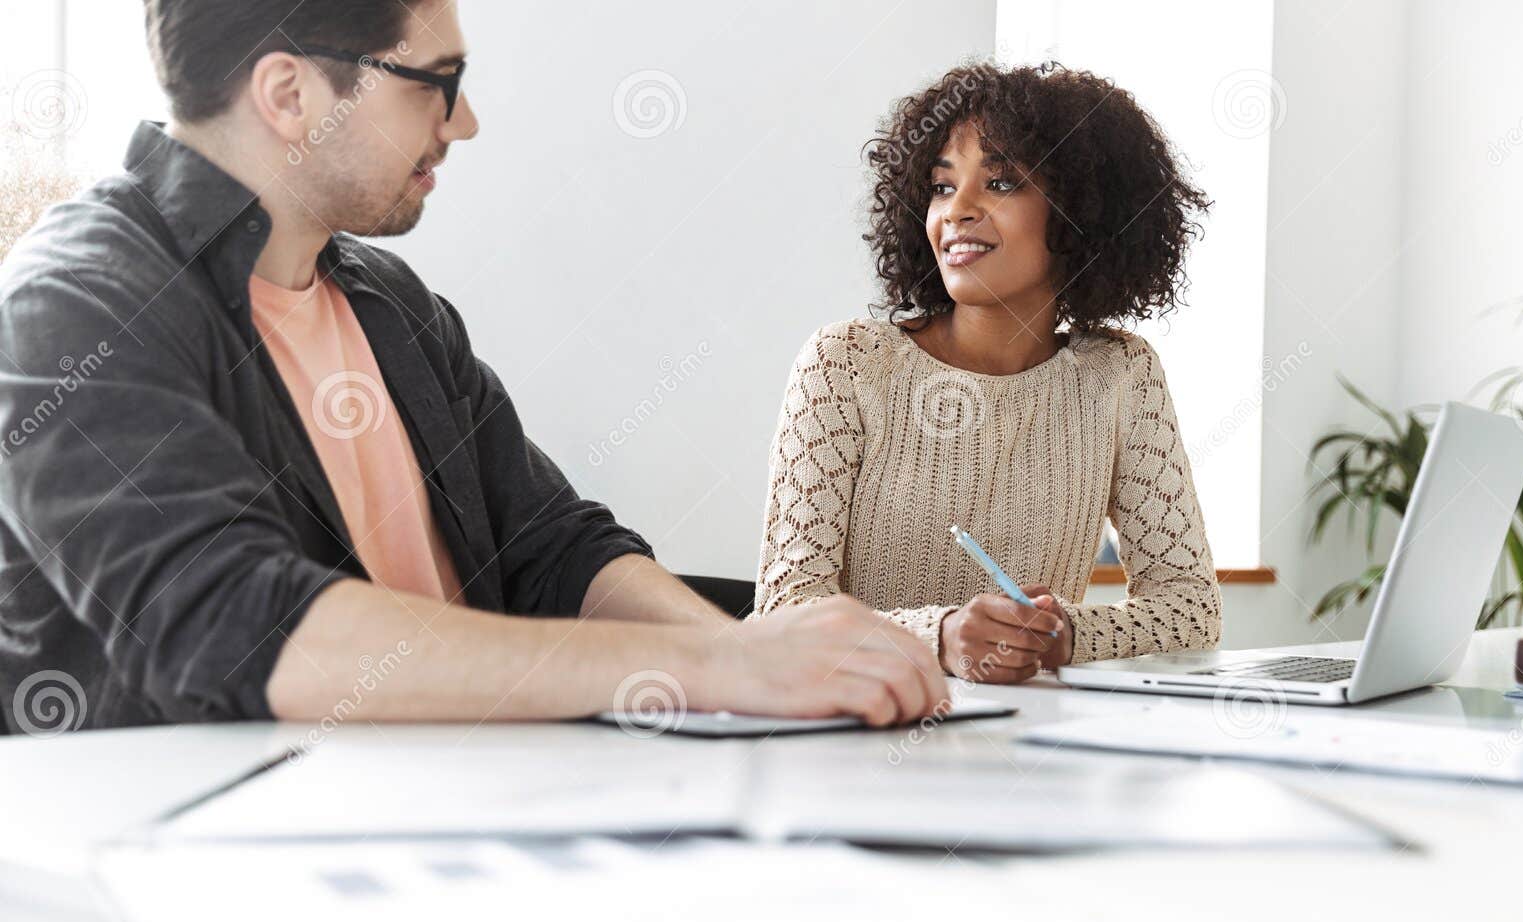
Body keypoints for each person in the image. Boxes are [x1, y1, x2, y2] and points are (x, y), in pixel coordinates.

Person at [0, 0, 948, 746]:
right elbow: (245, 631)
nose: (466, 121)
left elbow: (556, 547)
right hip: (213, 912)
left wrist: (750, 653)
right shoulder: (75, 303)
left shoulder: (388, 300)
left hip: (472, 824)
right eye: (434, 82)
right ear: (290, 96)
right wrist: (726, 675)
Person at [755, 63, 1223, 684]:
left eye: (1001, 183)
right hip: (861, 742)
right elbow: (785, 614)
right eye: (942, 187)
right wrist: (939, 638)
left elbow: (1190, 609)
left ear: (1081, 212)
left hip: (1032, 744)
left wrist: (1064, 636)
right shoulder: (847, 364)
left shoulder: (1119, 374)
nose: (958, 211)